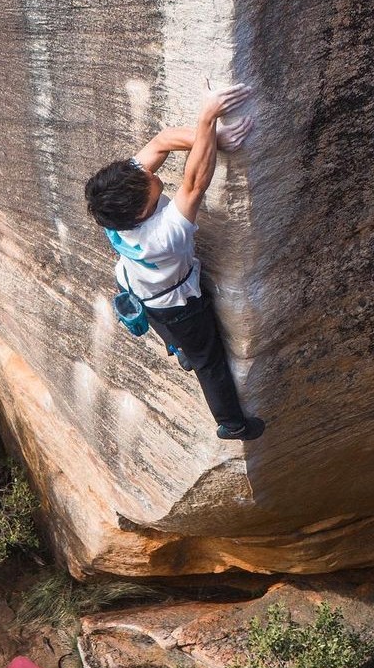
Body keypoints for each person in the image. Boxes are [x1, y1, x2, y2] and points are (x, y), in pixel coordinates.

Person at [84, 83, 265, 441]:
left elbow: (161, 142)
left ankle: (177, 346)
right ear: (142, 213)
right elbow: (195, 183)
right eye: (148, 180)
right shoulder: (161, 238)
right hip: (176, 305)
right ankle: (232, 425)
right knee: (209, 362)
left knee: (163, 321)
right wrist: (207, 119)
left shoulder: (114, 207)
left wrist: (212, 139)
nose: (151, 174)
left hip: (134, 283)